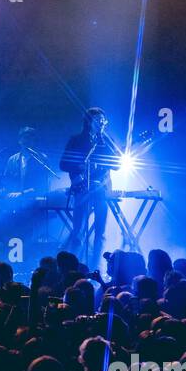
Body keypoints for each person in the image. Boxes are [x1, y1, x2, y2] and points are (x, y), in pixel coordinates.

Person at [59, 107, 116, 271]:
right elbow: (63, 164)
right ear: (89, 122)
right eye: (98, 120)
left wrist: (107, 154)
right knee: (78, 230)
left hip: (101, 190)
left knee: (100, 231)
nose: (101, 123)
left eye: (103, 120)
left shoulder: (106, 141)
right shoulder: (76, 140)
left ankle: (95, 267)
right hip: (82, 190)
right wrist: (78, 167)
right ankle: (73, 268)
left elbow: (118, 165)